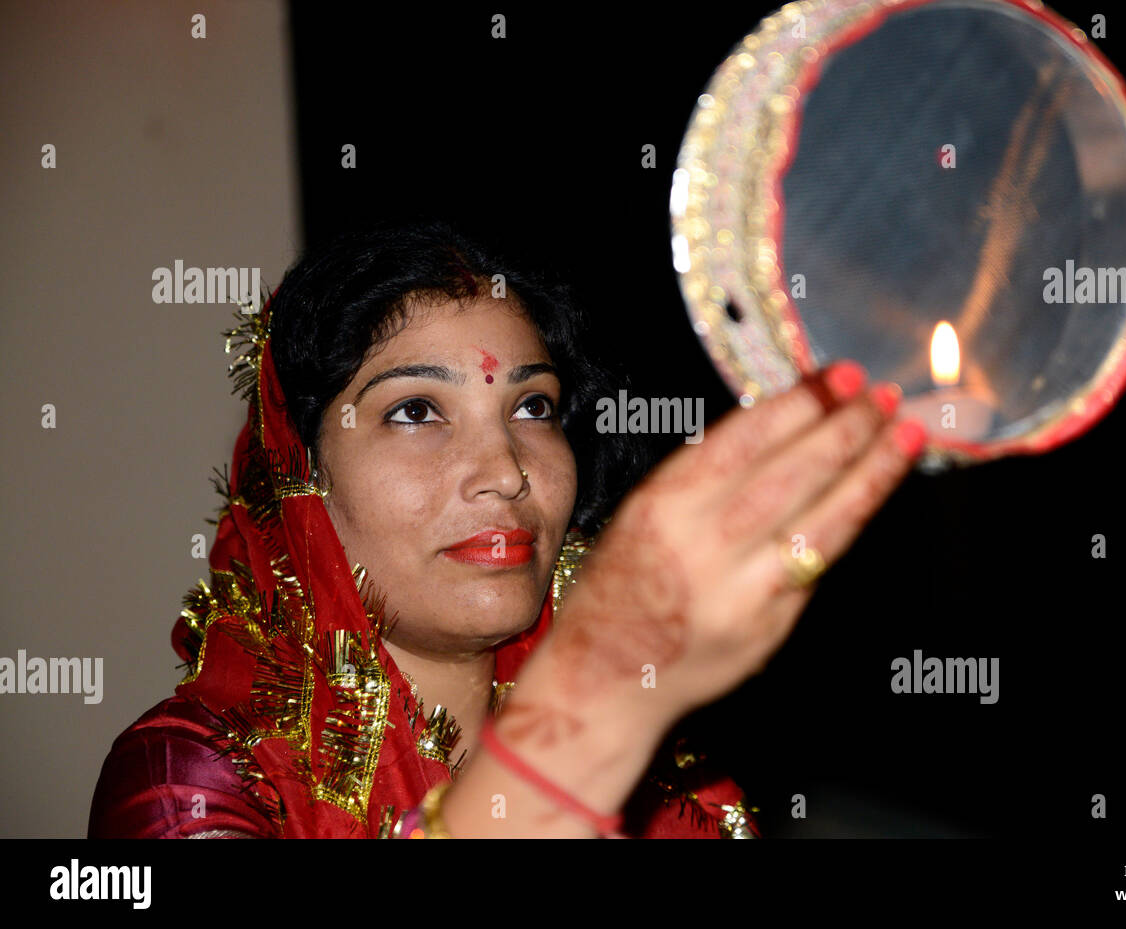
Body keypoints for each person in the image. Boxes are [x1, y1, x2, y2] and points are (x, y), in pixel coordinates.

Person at [87, 217, 926, 839]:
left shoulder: (664, 779)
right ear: (298, 474)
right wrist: (590, 708)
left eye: (532, 406)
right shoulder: (193, 775)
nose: (505, 469)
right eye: (416, 410)